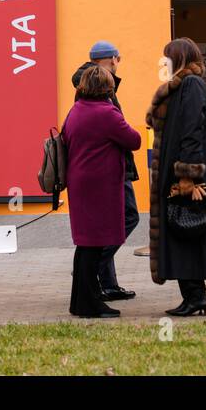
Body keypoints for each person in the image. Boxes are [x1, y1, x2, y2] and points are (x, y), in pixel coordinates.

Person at [147, 37, 206, 316]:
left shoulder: (192, 85)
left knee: (188, 231)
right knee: (183, 233)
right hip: (179, 172)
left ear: (180, 58)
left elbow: (192, 131)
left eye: (167, 57)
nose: (164, 62)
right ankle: (194, 296)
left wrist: (188, 177)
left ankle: (196, 297)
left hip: (187, 175)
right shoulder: (182, 86)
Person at [63, 65, 142, 318]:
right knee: (95, 244)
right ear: (106, 88)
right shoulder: (107, 113)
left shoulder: (76, 110)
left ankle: (80, 301)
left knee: (85, 245)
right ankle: (90, 305)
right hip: (99, 186)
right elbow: (135, 140)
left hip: (80, 183)